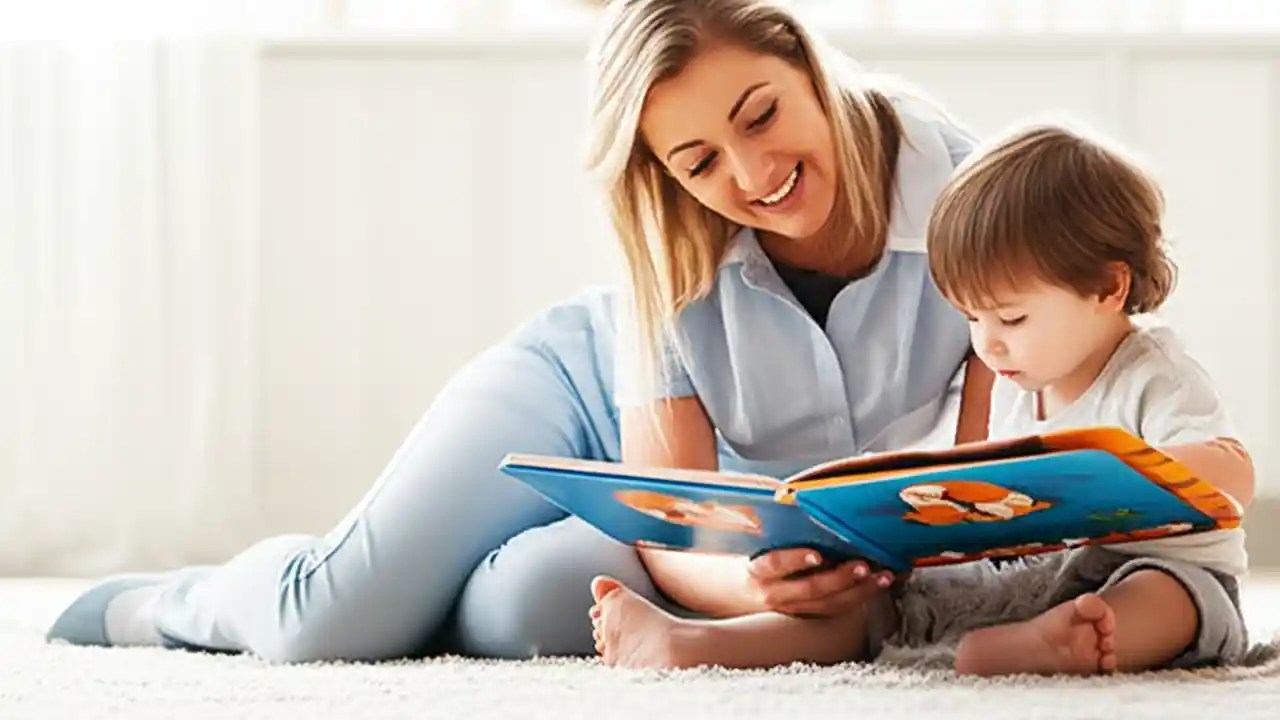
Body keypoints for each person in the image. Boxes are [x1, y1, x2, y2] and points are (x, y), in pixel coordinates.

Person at [42, 0, 1078, 661]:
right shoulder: (662, 246)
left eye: (759, 115)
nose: (749, 176)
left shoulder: (960, 192)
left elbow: (984, 468)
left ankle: (419, 601)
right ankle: (178, 605)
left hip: (728, 508)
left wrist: (770, 581)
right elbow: (669, 512)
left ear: (804, 61)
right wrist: (741, 582)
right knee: (330, 623)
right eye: (698, 162)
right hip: (576, 395)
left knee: (532, 614)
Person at [589, 123, 1255, 675]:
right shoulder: (1021, 378)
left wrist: (1126, 472)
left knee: (1162, 596)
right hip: (1036, 580)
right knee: (880, 600)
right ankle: (696, 645)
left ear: (1109, 289)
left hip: (1152, 573)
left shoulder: (1152, 371)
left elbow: (1235, 470)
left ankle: (1067, 643)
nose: (987, 346)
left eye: (1011, 320)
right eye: (971, 319)